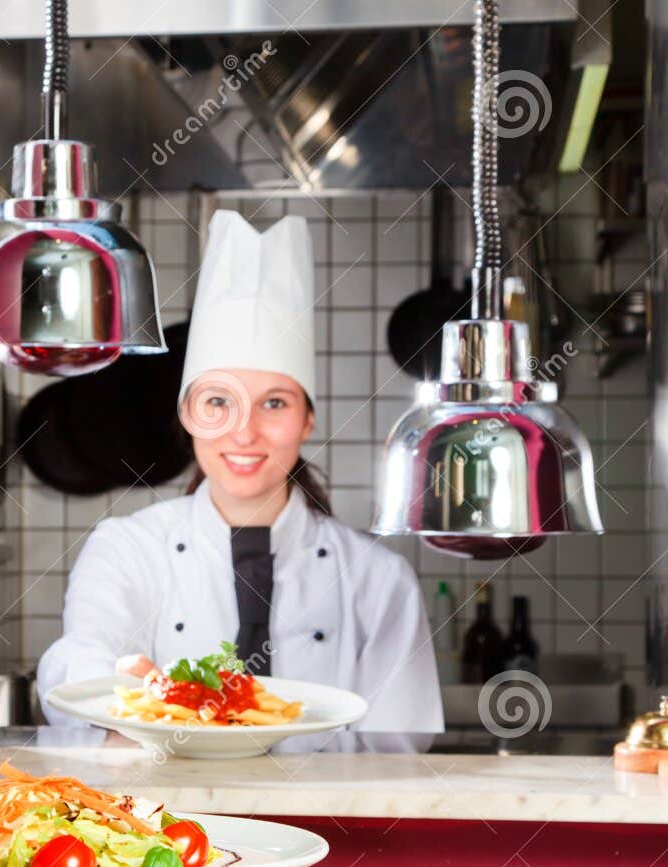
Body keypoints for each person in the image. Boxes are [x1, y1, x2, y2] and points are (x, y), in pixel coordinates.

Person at [37, 211, 443, 753]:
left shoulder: (378, 580)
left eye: (274, 403)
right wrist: (112, 688)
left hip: (333, 810)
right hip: (162, 809)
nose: (244, 431)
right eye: (218, 401)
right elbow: (77, 658)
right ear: (187, 415)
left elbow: (399, 758)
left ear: (307, 420)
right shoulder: (127, 549)